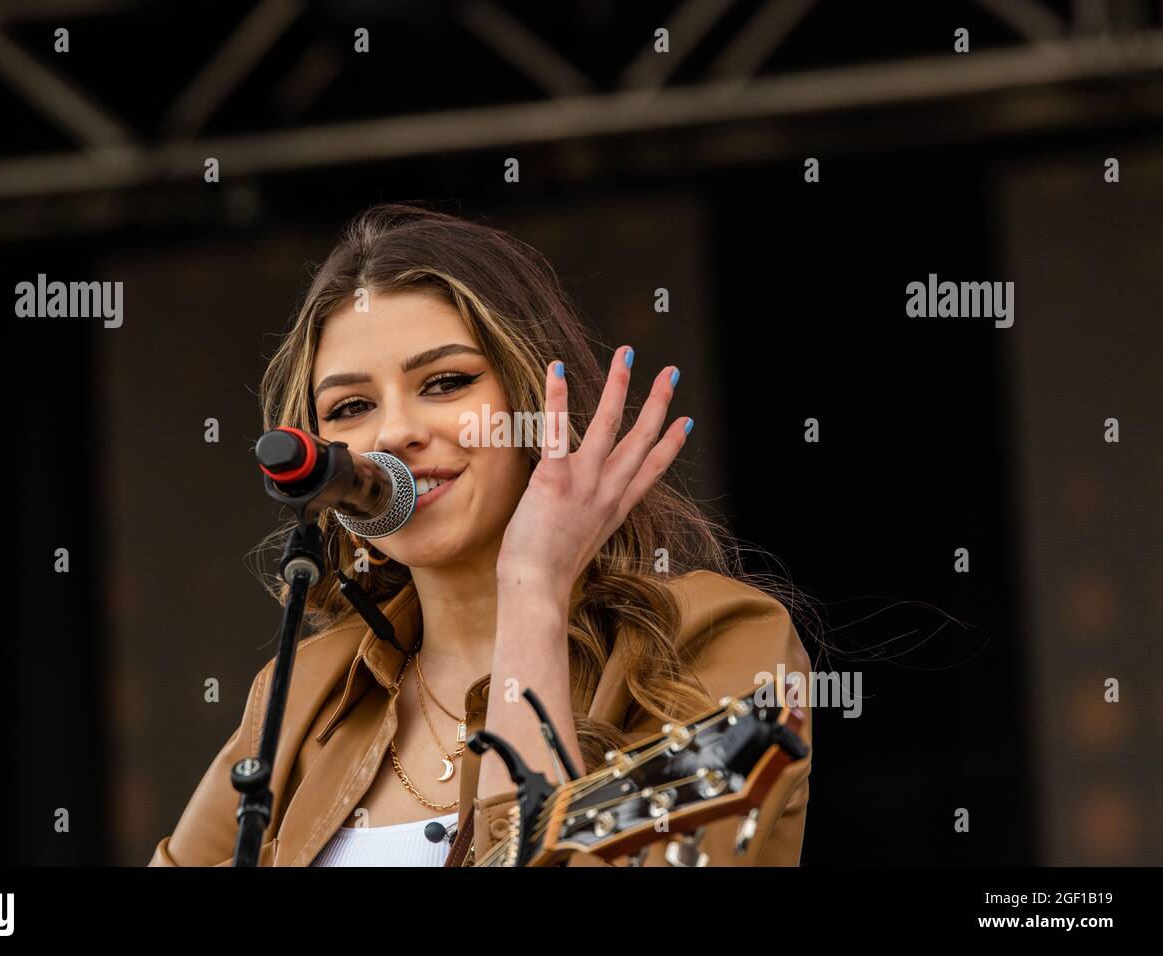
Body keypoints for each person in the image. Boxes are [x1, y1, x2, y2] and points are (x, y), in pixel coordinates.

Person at [148, 201, 813, 867]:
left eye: (445, 382)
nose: (393, 433)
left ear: (534, 406)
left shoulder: (715, 633)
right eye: (351, 407)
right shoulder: (302, 691)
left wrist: (532, 589)